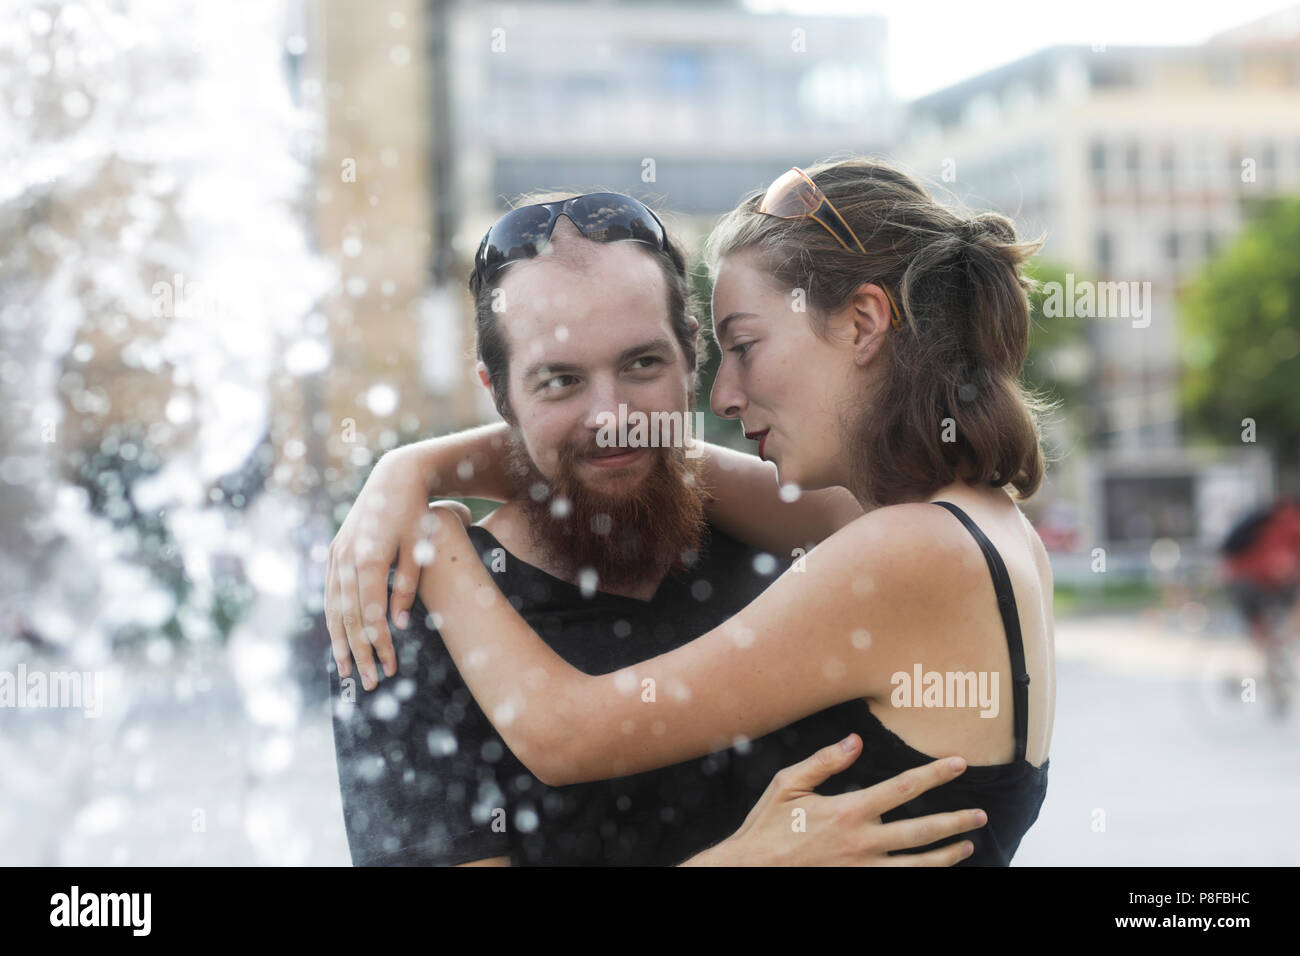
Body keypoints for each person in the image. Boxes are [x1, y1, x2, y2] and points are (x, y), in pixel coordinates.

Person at [334, 158, 1061, 863]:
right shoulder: (978, 526)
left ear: (863, 322)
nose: (725, 396)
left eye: (741, 346)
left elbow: (566, 735)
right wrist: (418, 467)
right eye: (559, 380)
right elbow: (653, 452)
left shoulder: (905, 550)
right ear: (501, 393)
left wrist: (438, 538)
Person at [1221, 495, 1300, 717]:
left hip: (1237, 581)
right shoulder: (1290, 521)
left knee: (1262, 641)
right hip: (1258, 582)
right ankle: (1269, 674)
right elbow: (1281, 563)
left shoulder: (1272, 516)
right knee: (1277, 634)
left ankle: (1263, 686)